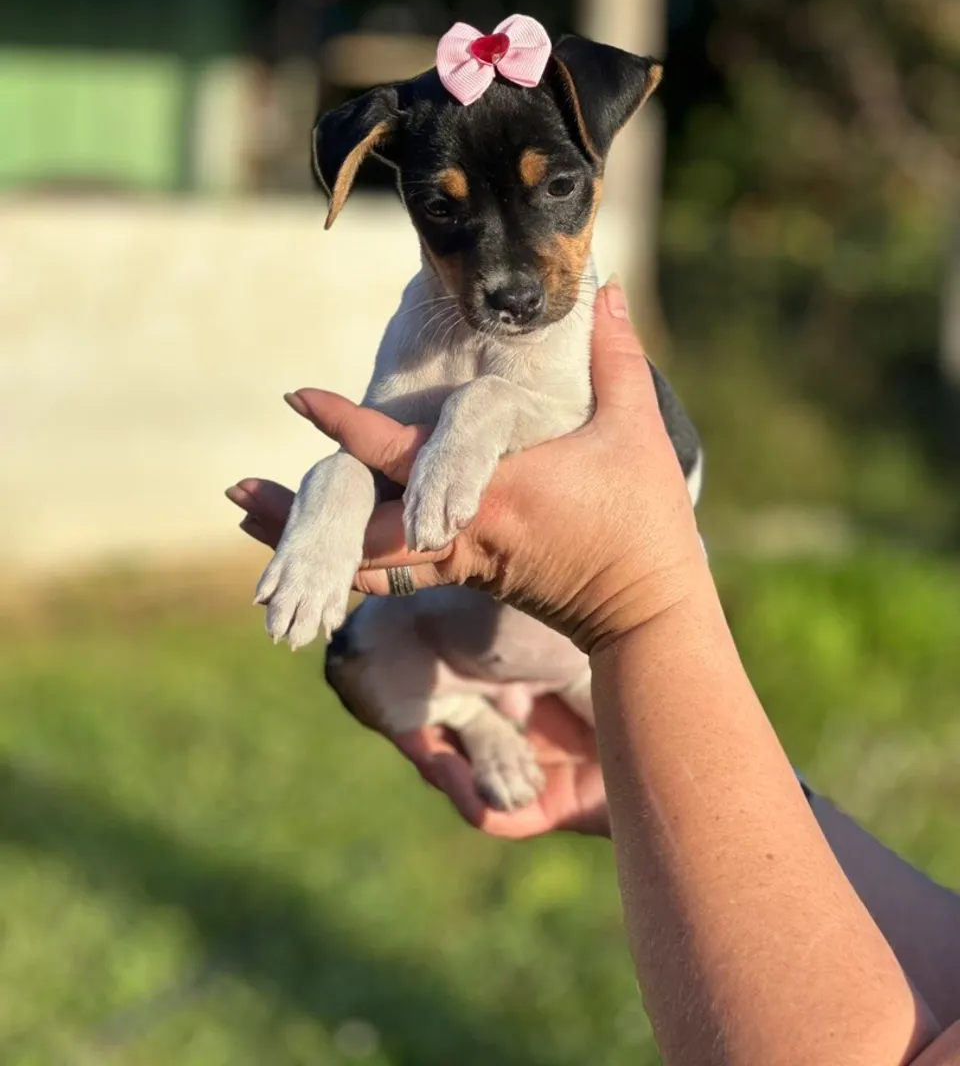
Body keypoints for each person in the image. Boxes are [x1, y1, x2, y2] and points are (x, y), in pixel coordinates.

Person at [227, 278, 960, 1065]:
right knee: (363, 647)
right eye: (446, 209)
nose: (505, 273)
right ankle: (477, 715)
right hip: (469, 651)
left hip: (574, 657)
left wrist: (639, 612)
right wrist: (657, 777)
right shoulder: (423, 336)